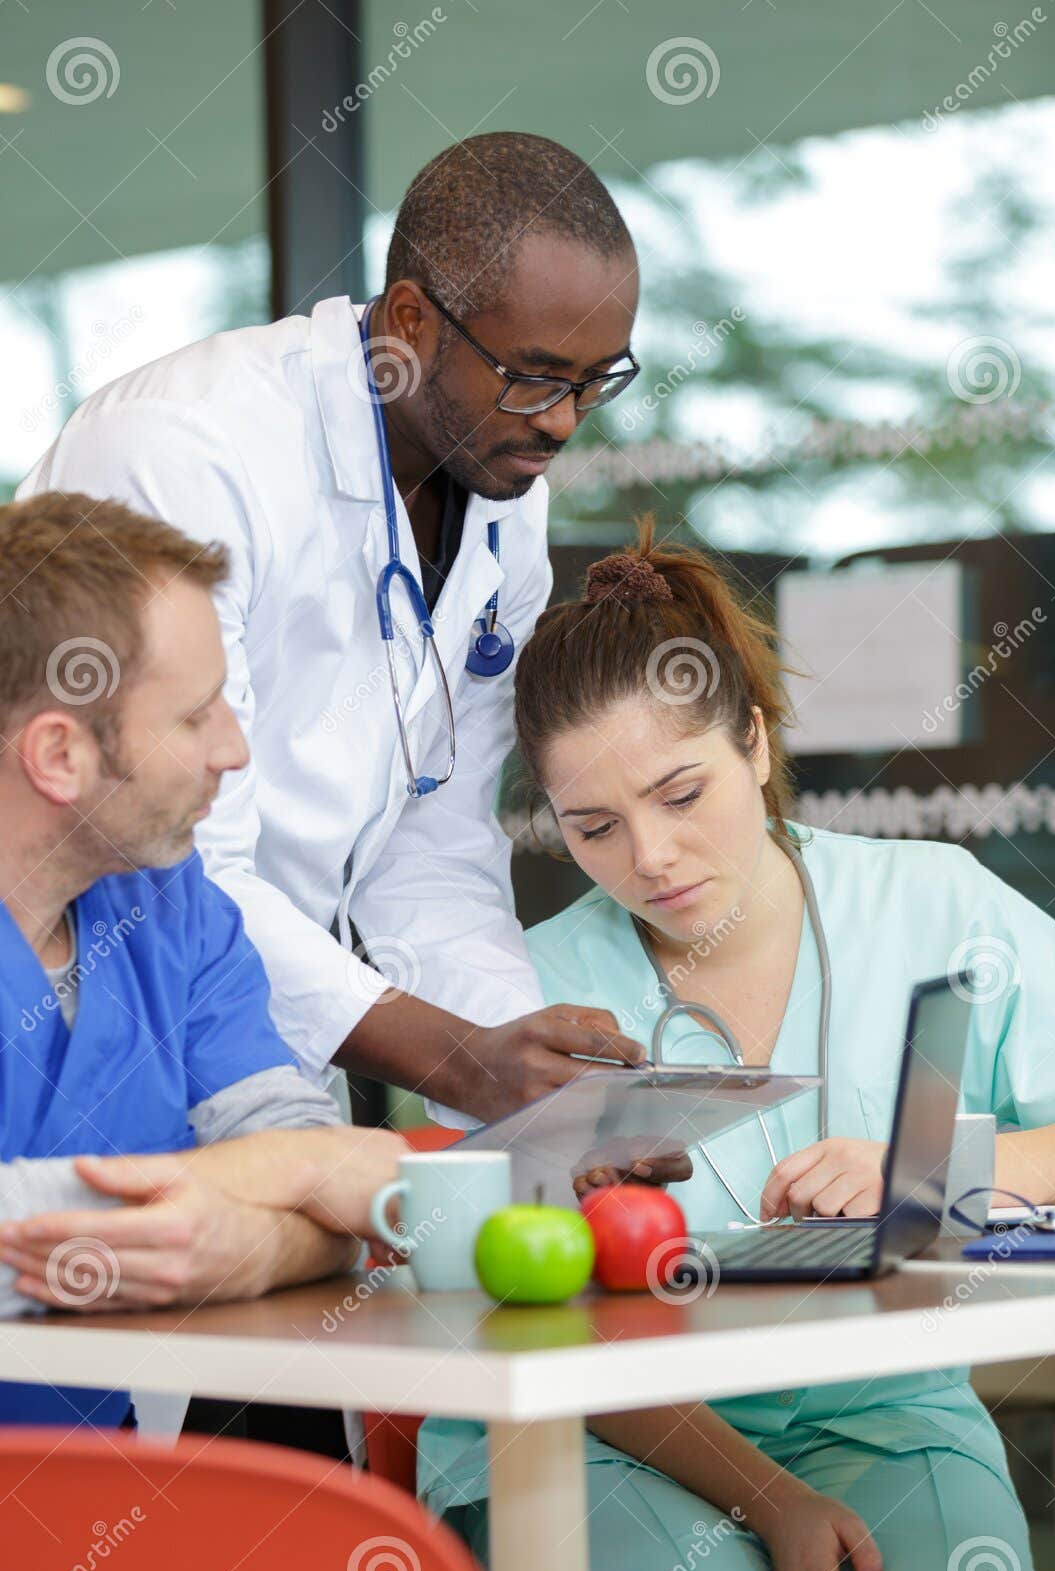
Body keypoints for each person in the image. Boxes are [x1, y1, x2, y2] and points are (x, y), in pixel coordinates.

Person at [418, 519, 1055, 1571]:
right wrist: (767, 1497)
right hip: (600, 1425)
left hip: (881, 1405)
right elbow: (509, 1318)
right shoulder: (522, 999)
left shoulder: (933, 904)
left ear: (755, 743)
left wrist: (943, 1174)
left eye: (680, 796)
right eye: (592, 827)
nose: (650, 858)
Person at [17, 132, 645, 1128]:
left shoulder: (502, 495)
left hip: (258, 1055)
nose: (564, 422)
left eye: (595, 381)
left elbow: (431, 848)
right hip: (101, 1022)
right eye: (532, 376)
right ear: (409, 321)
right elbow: (181, 860)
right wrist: (456, 1062)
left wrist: (545, 1106)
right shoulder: (185, 453)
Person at [0, 492, 407, 1429]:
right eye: (194, 717)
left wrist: (257, 1249)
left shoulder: (172, 907)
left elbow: (336, 1180)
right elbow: (310, 1168)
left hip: (96, 1518)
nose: (232, 748)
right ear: (59, 754)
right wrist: (267, 1179)